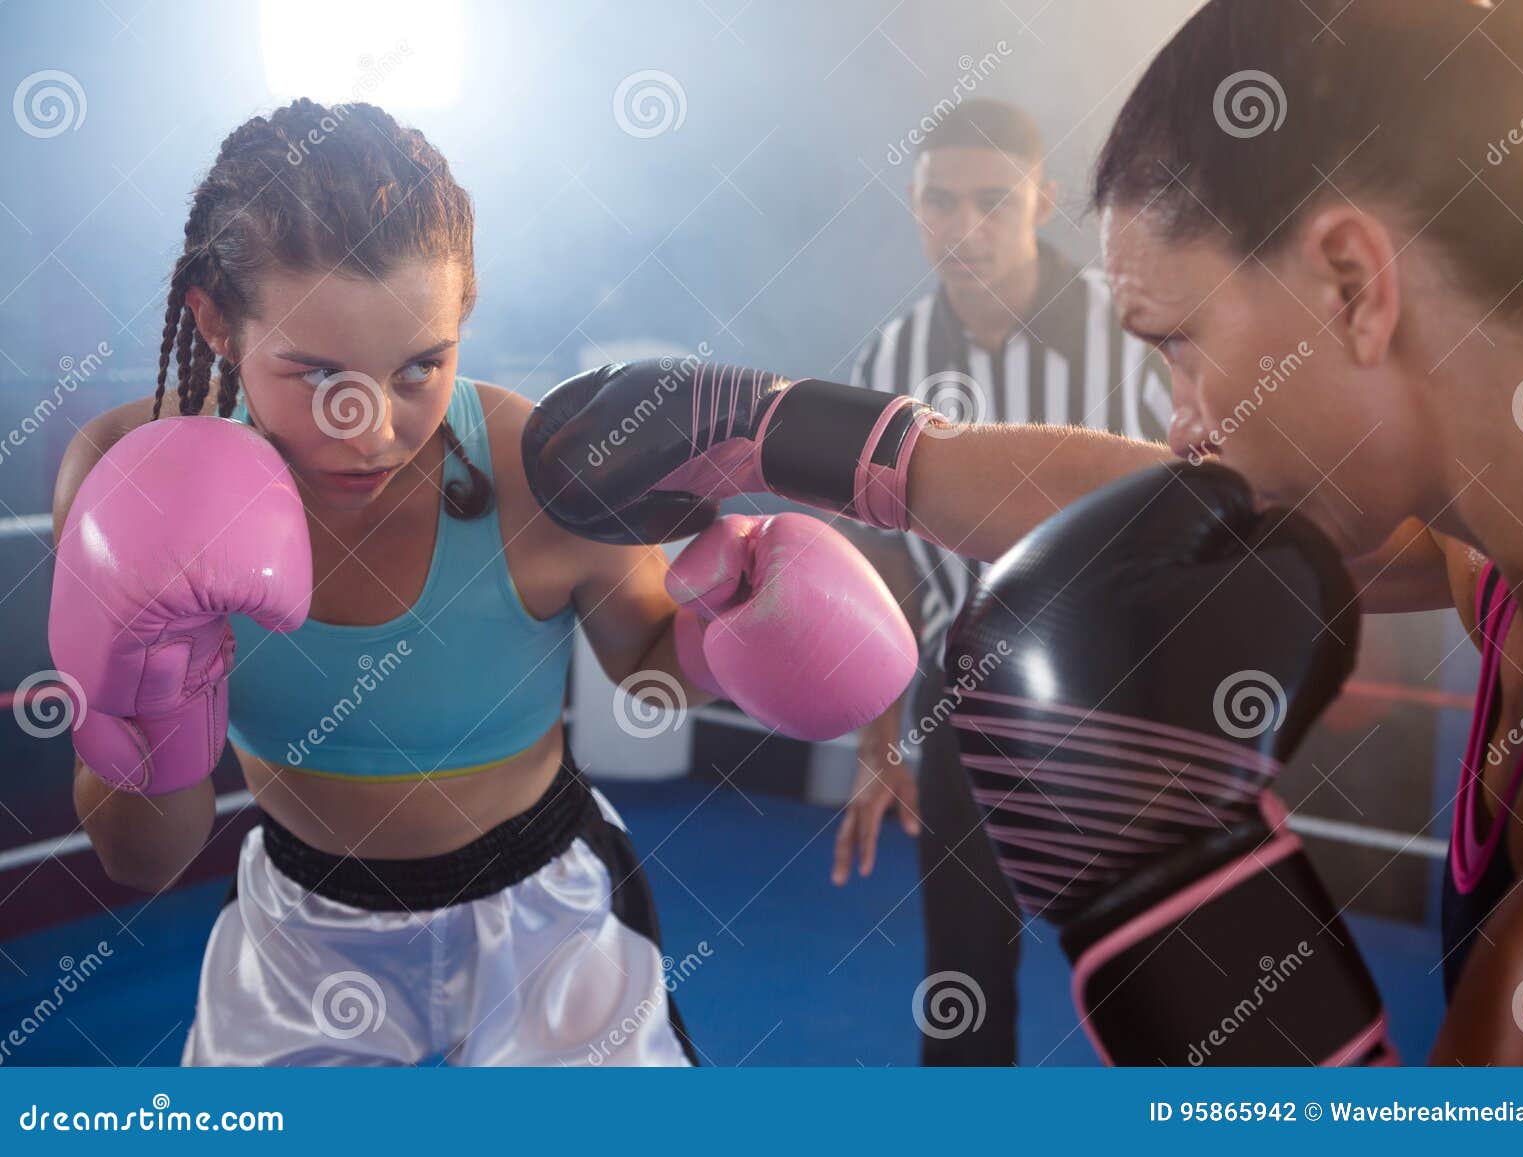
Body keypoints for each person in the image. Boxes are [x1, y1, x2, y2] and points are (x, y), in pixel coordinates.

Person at [523, 0, 1523, 1063]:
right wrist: (777, 433)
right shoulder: (1493, 547)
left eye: (1179, 342)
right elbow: (1178, 499)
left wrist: (1194, 923)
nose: (1181, 421)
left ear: (1354, 284)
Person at [48, 99, 914, 1067]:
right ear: (214, 321)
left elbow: (645, 666)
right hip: (300, 930)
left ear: (465, 312)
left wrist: (733, 630)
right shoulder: (130, 472)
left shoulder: (544, 465)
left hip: (547, 913)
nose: (370, 428)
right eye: (312, 371)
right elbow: (142, 855)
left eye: (421, 366)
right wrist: (155, 692)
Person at [832, 99, 1169, 1067]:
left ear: (1043, 200)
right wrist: (878, 725)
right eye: (940, 202)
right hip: (965, 693)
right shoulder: (886, 363)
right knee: (962, 974)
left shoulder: (1139, 327)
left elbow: (1221, 496)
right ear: (913, 205)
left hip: (1131, 691)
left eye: (992, 200)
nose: (964, 228)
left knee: (1167, 975)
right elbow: (882, 561)